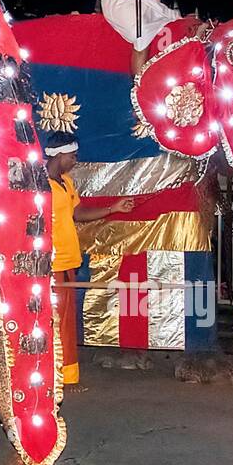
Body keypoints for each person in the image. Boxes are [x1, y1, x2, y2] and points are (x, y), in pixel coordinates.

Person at [44, 132, 136, 384]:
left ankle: (66, 375)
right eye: (72, 156)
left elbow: (77, 213)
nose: (75, 160)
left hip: (68, 260)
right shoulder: (40, 184)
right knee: (53, 322)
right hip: (49, 263)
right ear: (60, 155)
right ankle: (55, 377)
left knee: (65, 322)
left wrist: (113, 208)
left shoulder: (66, 183)